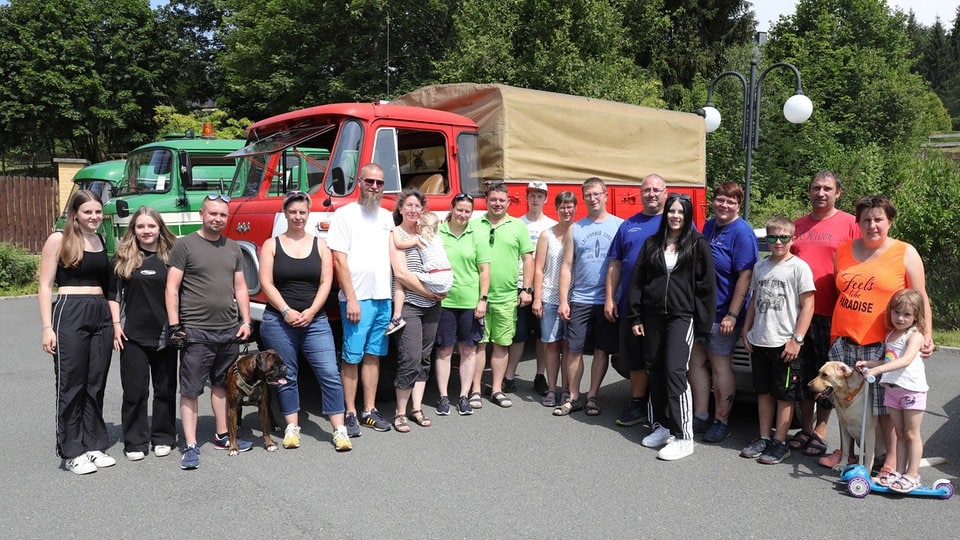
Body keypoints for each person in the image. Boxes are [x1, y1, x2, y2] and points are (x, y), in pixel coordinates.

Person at [829, 195, 933, 480]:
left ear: (889, 221)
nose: (872, 225)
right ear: (858, 222)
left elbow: (920, 296)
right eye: (866, 219)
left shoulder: (905, 252)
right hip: (845, 339)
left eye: (878, 219)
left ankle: (890, 461)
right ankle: (849, 453)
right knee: (845, 400)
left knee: (884, 408)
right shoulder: (844, 250)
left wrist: (926, 335)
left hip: (882, 343)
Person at [258, 190, 351, 451]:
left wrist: (311, 312)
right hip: (278, 320)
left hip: (316, 321)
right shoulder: (271, 245)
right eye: (293, 212)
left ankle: (339, 429)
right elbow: (266, 282)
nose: (298, 216)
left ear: (308, 214)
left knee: (329, 373)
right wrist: (286, 310)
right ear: (285, 214)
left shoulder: (320, 245)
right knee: (286, 375)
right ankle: (291, 427)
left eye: (302, 212)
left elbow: (326, 282)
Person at [166, 193, 253, 470]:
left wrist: (246, 320)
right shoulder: (185, 245)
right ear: (201, 214)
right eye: (212, 214)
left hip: (228, 329)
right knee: (191, 390)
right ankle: (190, 445)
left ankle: (222, 435)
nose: (217, 219)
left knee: (221, 385)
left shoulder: (233, 248)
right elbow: (172, 288)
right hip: (196, 331)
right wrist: (175, 326)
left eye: (222, 215)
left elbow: (240, 287)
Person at [629, 193, 715, 461]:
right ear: (665, 213)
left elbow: (707, 287)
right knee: (654, 369)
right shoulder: (652, 243)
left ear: (687, 215)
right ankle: (663, 427)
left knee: (675, 372)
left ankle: (683, 437)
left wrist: (702, 323)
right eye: (671, 211)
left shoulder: (697, 244)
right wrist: (635, 316)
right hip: (653, 316)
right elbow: (638, 282)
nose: (675, 216)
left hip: (681, 316)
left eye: (680, 212)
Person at [38, 190, 117, 475]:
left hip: (100, 312)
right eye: (88, 212)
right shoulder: (58, 239)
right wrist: (47, 327)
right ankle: (72, 451)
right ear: (75, 214)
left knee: (95, 383)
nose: (94, 217)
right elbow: (45, 285)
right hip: (70, 310)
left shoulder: (100, 239)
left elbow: (108, 285)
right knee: (72, 384)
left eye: (98, 212)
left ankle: (94, 444)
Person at [790, 170, 860, 461]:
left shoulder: (851, 224)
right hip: (799, 314)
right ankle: (805, 428)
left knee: (829, 376)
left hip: (835, 314)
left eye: (827, 188)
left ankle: (821, 430)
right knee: (804, 375)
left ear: (838, 193)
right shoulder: (798, 225)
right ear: (809, 191)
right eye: (816, 187)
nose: (821, 193)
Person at [738, 216, 815, 465]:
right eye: (772, 237)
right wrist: (746, 330)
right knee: (762, 391)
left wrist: (797, 340)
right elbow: (753, 300)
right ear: (767, 240)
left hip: (784, 343)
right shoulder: (761, 266)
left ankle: (780, 442)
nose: (778, 242)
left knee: (784, 394)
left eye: (784, 237)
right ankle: (764, 436)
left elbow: (808, 306)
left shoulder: (799, 268)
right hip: (760, 339)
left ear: (792, 239)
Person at [327, 163, 394, 434]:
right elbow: (339, 260)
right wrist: (351, 299)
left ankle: (369, 409)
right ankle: (350, 412)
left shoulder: (387, 216)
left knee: (373, 356)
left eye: (379, 183)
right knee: (352, 356)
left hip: (383, 298)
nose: (375, 187)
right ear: (360, 182)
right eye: (370, 181)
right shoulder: (344, 215)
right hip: (358, 299)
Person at [107, 206, 178, 461]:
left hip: (165, 335)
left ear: (159, 228)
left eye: (151, 226)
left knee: (165, 390)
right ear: (133, 230)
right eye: (140, 227)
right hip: (131, 335)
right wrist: (116, 326)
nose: (146, 231)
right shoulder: (123, 258)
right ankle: (135, 441)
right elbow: (113, 296)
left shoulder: (172, 257)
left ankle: (163, 437)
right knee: (135, 392)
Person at [689, 182, 758, 442]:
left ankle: (720, 419)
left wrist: (732, 313)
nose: (724, 205)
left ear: (738, 204)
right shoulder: (709, 226)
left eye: (730, 201)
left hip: (723, 313)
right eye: (720, 200)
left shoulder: (742, 233)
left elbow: (745, 276)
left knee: (719, 365)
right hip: (701, 311)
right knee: (695, 362)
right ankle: (701, 415)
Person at [555, 177, 623, 416]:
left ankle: (593, 395)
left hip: (607, 300)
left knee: (602, 350)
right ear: (583, 198)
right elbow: (566, 266)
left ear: (605, 195)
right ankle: (573, 396)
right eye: (588, 195)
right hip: (580, 299)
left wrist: (613, 298)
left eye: (597, 194)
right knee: (573, 349)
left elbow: (622, 264)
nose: (593, 199)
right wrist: (564, 300)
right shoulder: (576, 228)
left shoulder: (618, 226)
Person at [605, 174, 667, 427]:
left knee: (660, 357)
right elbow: (615, 263)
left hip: (663, 305)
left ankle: (661, 406)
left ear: (666, 193)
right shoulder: (628, 225)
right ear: (640, 193)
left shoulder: (675, 222)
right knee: (634, 357)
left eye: (656, 190)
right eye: (647, 190)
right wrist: (610, 298)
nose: (651, 194)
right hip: (631, 303)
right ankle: (638, 402)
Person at [855, 289, 929, 493]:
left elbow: (905, 361)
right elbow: (890, 360)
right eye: (897, 313)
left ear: (916, 316)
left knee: (912, 433)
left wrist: (877, 370)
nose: (900, 318)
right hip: (892, 390)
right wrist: (869, 363)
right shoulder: (890, 334)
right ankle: (899, 471)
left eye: (907, 314)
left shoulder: (915, 336)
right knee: (900, 432)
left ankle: (913, 475)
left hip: (911, 390)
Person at [471, 183, 534, 408]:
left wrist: (527, 289)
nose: (497, 203)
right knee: (479, 344)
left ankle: (497, 389)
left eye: (501, 200)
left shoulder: (517, 227)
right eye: (493, 199)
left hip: (507, 297)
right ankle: (475, 390)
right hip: (478, 297)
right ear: (486, 200)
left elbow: (528, 259)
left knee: (501, 344)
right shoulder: (474, 224)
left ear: (508, 202)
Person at [388, 190, 445, 430]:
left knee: (424, 358)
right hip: (410, 305)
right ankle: (399, 412)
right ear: (400, 208)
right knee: (409, 358)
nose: (413, 210)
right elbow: (400, 274)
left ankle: (416, 408)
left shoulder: (427, 233)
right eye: (409, 205)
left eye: (417, 206)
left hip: (432, 307)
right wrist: (428, 292)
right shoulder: (395, 234)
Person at [435, 193, 490, 415]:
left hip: (470, 301)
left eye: (467, 211)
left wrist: (482, 299)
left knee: (468, 350)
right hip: (444, 300)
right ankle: (443, 397)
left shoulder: (477, 235)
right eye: (459, 210)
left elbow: (485, 271)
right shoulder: (438, 232)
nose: (463, 214)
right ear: (451, 208)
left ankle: (464, 396)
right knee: (445, 350)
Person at [505, 181, 556, 395]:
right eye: (532, 195)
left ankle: (540, 376)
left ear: (546, 199)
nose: (535, 199)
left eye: (540, 195)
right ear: (526, 198)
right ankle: (509, 376)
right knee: (518, 335)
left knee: (542, 336)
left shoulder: (552, 226)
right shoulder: (517, 224)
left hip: (544, 288)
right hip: (520, 286)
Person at [532, 191, 577, 407]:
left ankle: (567, 389)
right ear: (556, 209)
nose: (566, 211)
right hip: (549, 296)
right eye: (562, 207)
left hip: (573, 297)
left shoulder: (579, 233)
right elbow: (539, 269)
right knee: (551, 345)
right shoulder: (546, 235)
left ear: (575, 208)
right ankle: (551, 388)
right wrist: (537, 298)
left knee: (569, 346)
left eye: (570, 206)